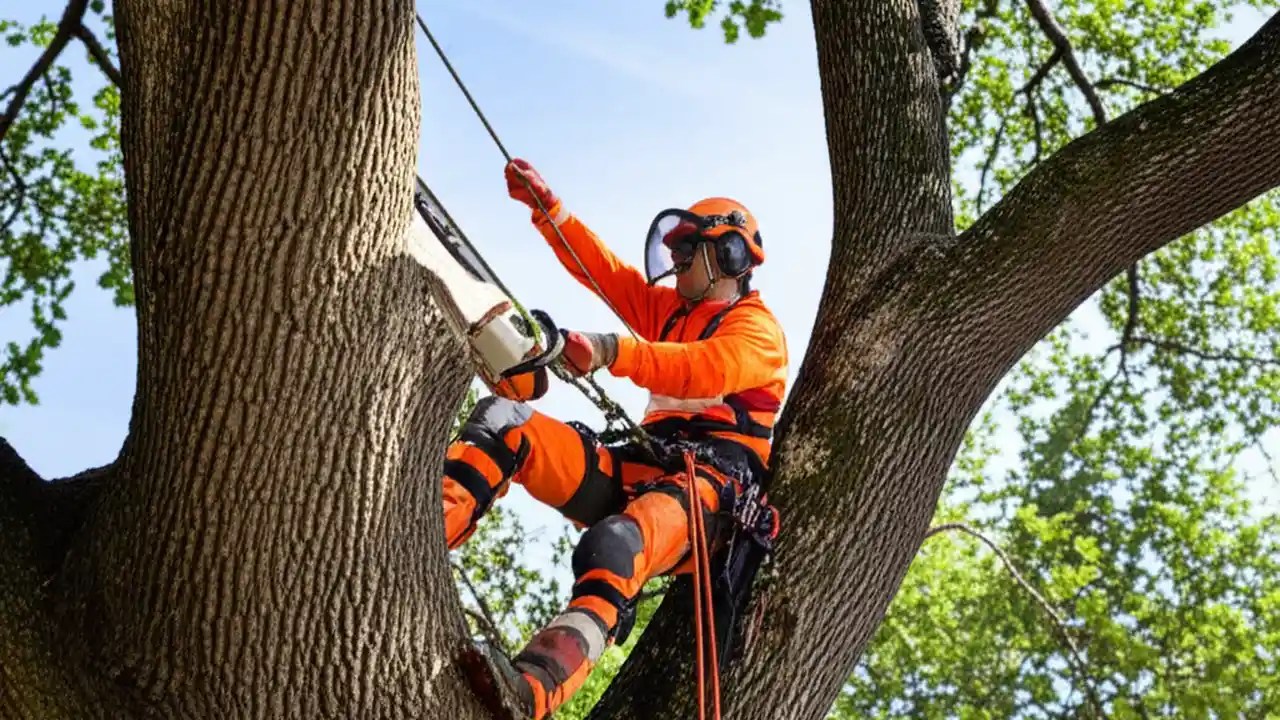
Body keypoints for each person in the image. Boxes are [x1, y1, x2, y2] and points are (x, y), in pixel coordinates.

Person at [441, 158, 788, 719]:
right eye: (673, 252)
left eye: (685, 252)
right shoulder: (673, 313)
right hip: (640, 469)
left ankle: (532, 690)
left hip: (708, 493)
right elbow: (603, 272)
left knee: (616, 547)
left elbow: (704, 369)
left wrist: (609, 350)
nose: (673, 265)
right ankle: (426, 530)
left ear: (727, 256)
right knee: (506, 422)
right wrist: (548, 210)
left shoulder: (756, 329)